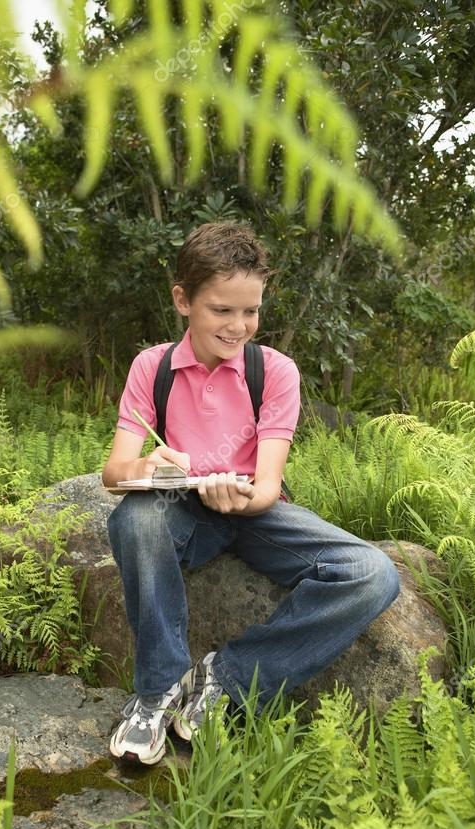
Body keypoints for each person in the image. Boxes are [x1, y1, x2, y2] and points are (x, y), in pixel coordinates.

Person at [101, 221, 400, 764]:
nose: (239, 325)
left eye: (251, 311)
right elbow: (114, 473)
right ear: (182, 301)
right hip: (181, 510)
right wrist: (151, 463)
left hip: (255, 512)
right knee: (135, 520)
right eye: (222, 310)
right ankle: (158, 690)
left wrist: (239, 497)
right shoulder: (154, 368)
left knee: (372, 574)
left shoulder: (276, 372)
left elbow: (266, 489)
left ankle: (225, 678)